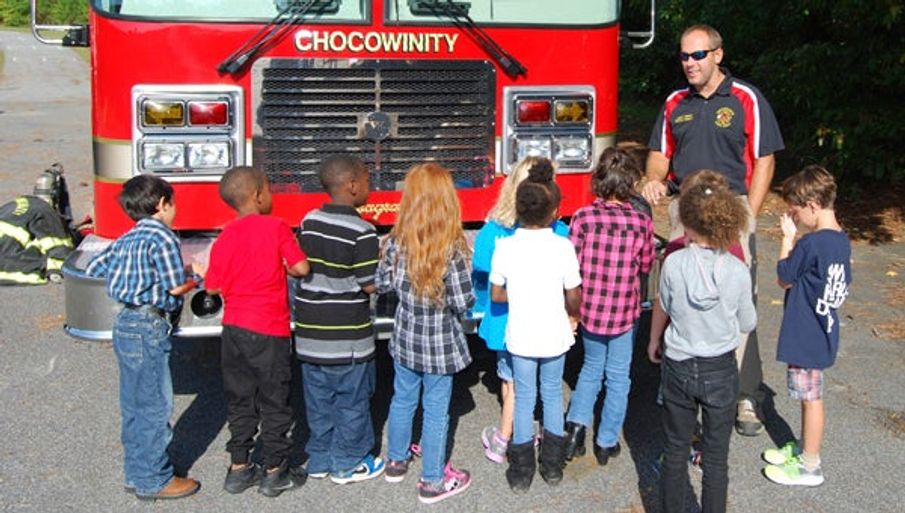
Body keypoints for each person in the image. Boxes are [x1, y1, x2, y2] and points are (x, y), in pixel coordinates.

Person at [643, 23, 785, 436]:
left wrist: (750, 215)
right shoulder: (675, 102)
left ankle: (744, 394)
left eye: (698, 55)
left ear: (718, 56)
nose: (689, 63)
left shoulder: (746, 98)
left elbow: (765, 160)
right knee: (673, 291)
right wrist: (654, 178)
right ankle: (675, 380)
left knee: (736, 297)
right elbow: (658, 156)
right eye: (684, 56)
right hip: (685, 210)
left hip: (731, 210)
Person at [85, 175, 201, 500]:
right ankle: (154, 480)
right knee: (154, 405)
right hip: (150, 323)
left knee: (134, 404)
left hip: (125, 321)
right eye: (172, 204)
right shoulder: (163, 238)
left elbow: (95, 267)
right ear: (163, 204)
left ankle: (136, 472)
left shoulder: (127, 238)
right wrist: (198, 277)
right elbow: (175, 286)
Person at [647, 181, 756, 513]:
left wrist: (654, 340)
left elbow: (662, 305)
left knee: (676, 449)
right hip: (720, 368)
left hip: (679, 363)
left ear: (687, 223)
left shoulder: (674, 263)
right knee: (716, 457)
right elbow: (747, 323)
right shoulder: (737, 270)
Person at [202, 166, 310, 497]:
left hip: (233, 331)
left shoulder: (225, 236)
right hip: (268, 329)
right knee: (274, 400)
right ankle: (275, 470)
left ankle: (239, 468)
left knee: (240, 400)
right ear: (259, 195)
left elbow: (214, 285)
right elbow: (301, 268)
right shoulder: (276, 227)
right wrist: (286, 266)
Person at [376, 163, 475, 505]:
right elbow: (463, 301)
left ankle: (396, 461)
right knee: (436, 409)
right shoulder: (454, 248)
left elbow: (384, 284)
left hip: (405, 337)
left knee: (402, 399)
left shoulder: (396, 242)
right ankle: (432, 481)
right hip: (441, 343)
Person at [471, 156, 568, 464]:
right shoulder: (560, 232)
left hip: (505, 324)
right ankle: (528, 438)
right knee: (546, 386)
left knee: (512, 383)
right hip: (547, 325)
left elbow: (482, 273)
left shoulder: (492, 232)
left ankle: (504, 438)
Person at [490, 166, 581, 492]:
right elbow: (573, 295)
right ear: (556, 212)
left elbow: (497, 294)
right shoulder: (563, 246)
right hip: (554, 334)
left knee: (524, 397)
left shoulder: (506, 246)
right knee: (553, 395)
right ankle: (552, 466)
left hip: (521, 335)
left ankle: (521, 471)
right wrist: (574, 316)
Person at [294, 155, 384, 484]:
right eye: (367, 182)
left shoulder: (309, 219)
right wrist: (384, 268)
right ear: (352, 186)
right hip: (348, 338)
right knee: (352, 400)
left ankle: (319, 458)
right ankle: (348, 462)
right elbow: (368, 283)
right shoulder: (363, 231)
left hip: (310, 336)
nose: (370, 189)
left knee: (318, 401)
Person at [563, 147, 655, 465]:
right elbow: (645, 265)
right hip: (624, 312)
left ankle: (575, 430)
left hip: (590, 309)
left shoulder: (582, 218)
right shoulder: (641, 222)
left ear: (598, 181)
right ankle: (606, 441)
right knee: (618, 377)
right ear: (631, 182)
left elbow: (570, 265)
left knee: (590, 369)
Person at [762, 166, 851, 487]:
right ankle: (803, 448)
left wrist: (788, 239)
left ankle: (810, 466)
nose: (794, 215)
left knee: (811, 398)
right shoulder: (841, 240)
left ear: (812, 205)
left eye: (796, 209)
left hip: (807, 332)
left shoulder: (810, 244)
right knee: (809, 395)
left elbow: (784, 277)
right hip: (822, 329)